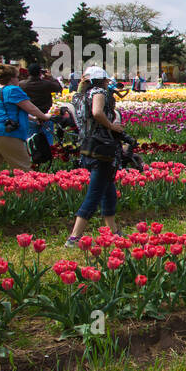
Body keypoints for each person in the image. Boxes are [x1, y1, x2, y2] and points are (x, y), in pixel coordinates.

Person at [65, 67, 126, 246]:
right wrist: (112, 126)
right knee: (95, 193)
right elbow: (97, 112)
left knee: (108, 191)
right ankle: (74, 237)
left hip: (87, 146)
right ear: (103, 80)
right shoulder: (98, 92)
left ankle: (114, 232)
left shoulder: (79, 96)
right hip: (102, 148)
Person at [0, 63, 51, 176]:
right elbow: (30, 107)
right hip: (5, 132)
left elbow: (9, 109)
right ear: (11, 79)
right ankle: (28, 191)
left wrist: (33, 119)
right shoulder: (13, 90)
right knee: (22, 166)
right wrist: (44, 117)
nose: (18, 80)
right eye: (17, 77)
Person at [20, 62, 64, 148]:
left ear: (28, 72)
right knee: (48, 139)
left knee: (30, 140)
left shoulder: (22, 84)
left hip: (30, 115)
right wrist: (50, 77)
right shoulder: (46, 84)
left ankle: (33, 158)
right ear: (40, 72)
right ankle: (50, 156)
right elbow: (59, 87)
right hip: (45, 114)